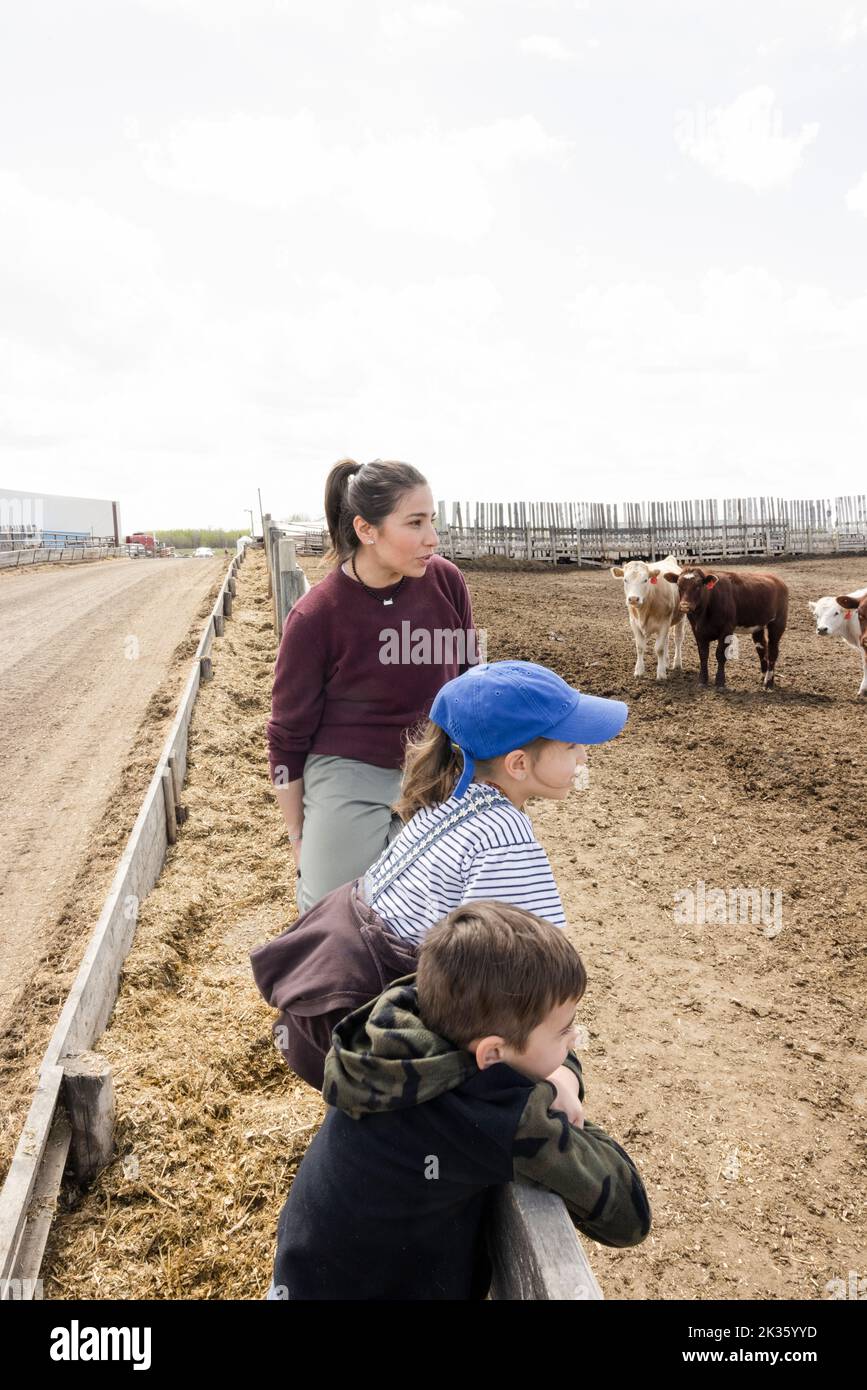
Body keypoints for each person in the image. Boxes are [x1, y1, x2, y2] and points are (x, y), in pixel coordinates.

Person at [251, 660, 628, 1088]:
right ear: (519, 764)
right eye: (572, 744)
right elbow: (536, 981)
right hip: (361, 1039)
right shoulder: (505, 837)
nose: (584, 754)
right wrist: (561, 1076)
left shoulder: (450, 799)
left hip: (322, 1004)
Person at [266, 901, 651, 1301]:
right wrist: (555, 1089)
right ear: (493, 1056)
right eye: (564, 1032)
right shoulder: (487, 1113)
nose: (575, 1040)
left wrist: (561, 1076)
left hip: (301, 1276)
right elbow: (629, 1216)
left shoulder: (401, 1020)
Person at [267, 459, 479, 914]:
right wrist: (299, 837)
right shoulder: (315, 617)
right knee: (330, 912)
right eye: (416, 523)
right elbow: (286, 737)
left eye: (433, 522)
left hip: (432, 764)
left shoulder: (446, 583)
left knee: (434, 910)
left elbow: (468, 681)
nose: (433, 539)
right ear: (367, 530)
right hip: (348, 769)